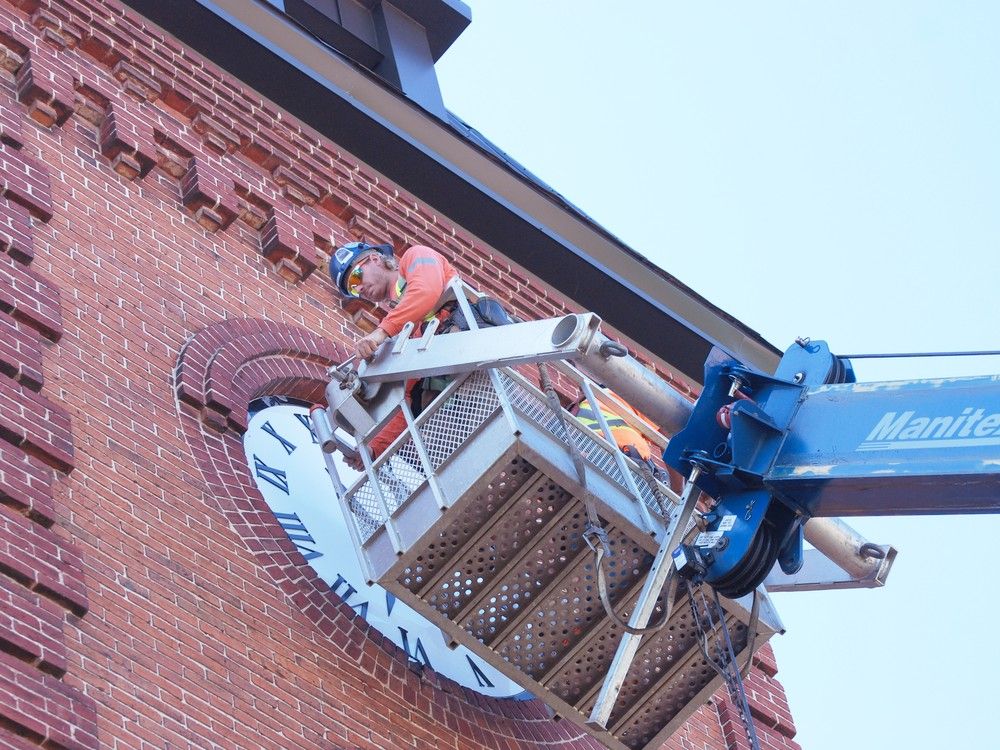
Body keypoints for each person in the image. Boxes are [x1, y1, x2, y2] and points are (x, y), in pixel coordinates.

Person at [329, 241, 462, 467]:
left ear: (375, 259)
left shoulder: (416, 256)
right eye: (352, 290)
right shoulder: (402, 330)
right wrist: (373, 451)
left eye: (356, 278)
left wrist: (380, 334)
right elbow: (404, 397)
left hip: (464, 339)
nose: (358, 289)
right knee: (423, 399)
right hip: (454, 392)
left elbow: (425, 291)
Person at [574, 388, 670, 482]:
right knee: (654, 474)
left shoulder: (607, 395)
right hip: (615, 449)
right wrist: (678, 491)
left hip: (579, 438)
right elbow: (671, 444)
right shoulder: (647, 401)